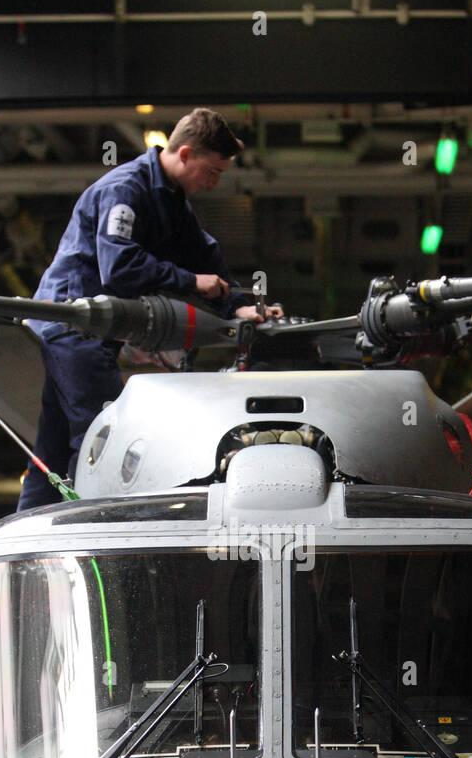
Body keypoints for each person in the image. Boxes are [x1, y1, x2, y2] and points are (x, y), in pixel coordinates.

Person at [18, 108, 282, 510]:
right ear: (186, 154)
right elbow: (119, 267)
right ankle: (91, 536)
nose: (213, 183)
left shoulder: (174, 203)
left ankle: (30, 529)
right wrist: (192, 283)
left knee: (53, 447)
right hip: (73, 325)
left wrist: (241, 307)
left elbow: (205, 258)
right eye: (211, 172)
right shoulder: (126, 189)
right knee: (100, 441)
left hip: (91, 333)